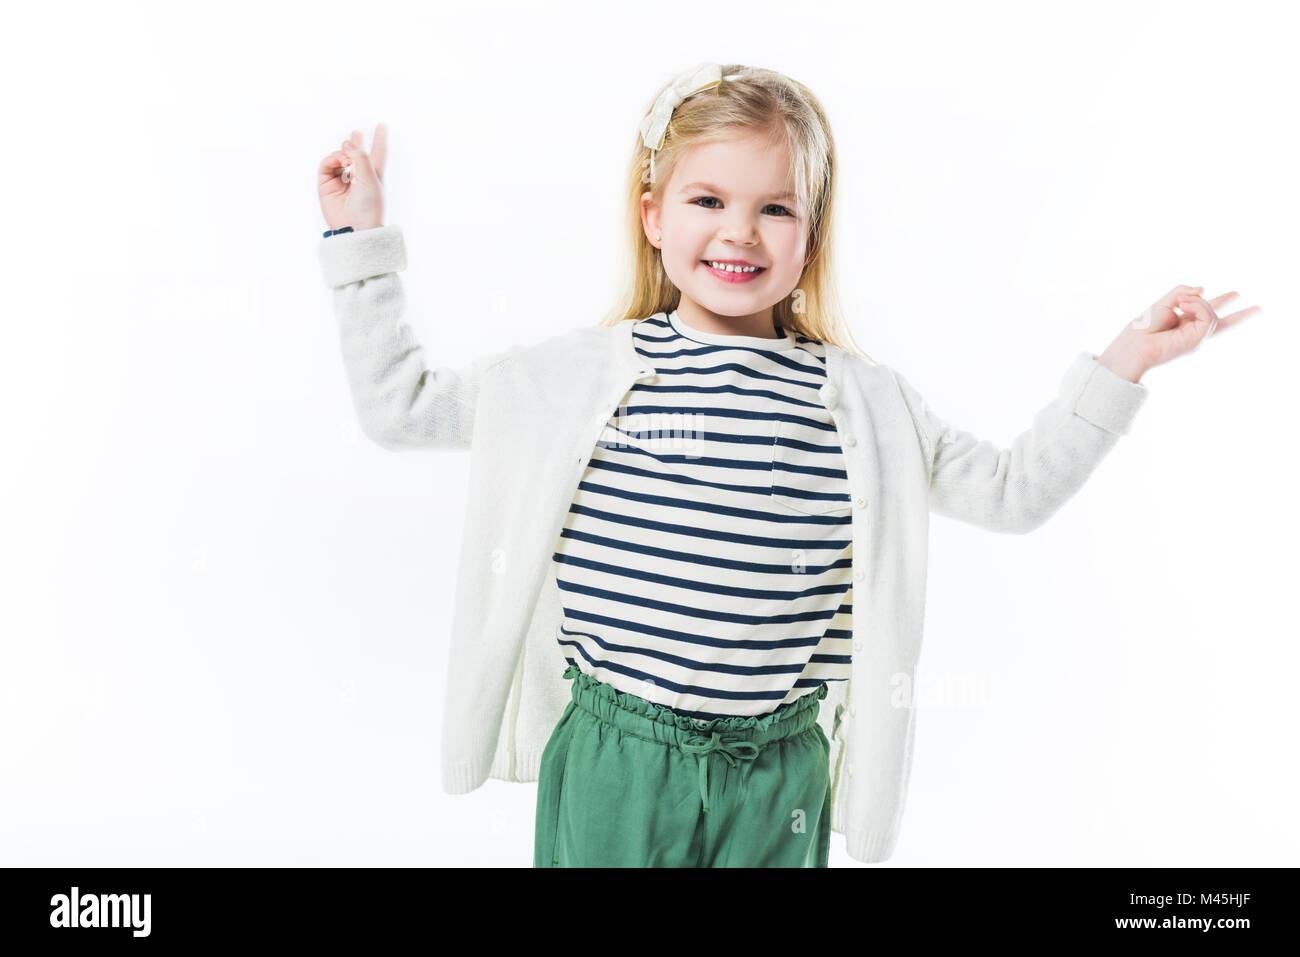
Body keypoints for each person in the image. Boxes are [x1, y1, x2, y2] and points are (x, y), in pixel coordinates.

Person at [313, 63, 1261, 867]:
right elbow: (401, 407)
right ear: (652, 215)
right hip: (618, 758)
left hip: (780, 770)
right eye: (709, 200)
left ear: (811, 234)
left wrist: (1124, 363)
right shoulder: (578, 379)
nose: (741, 231)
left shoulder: (864, 405)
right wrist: (359, 242)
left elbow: (1013, 494)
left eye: (776, 207)